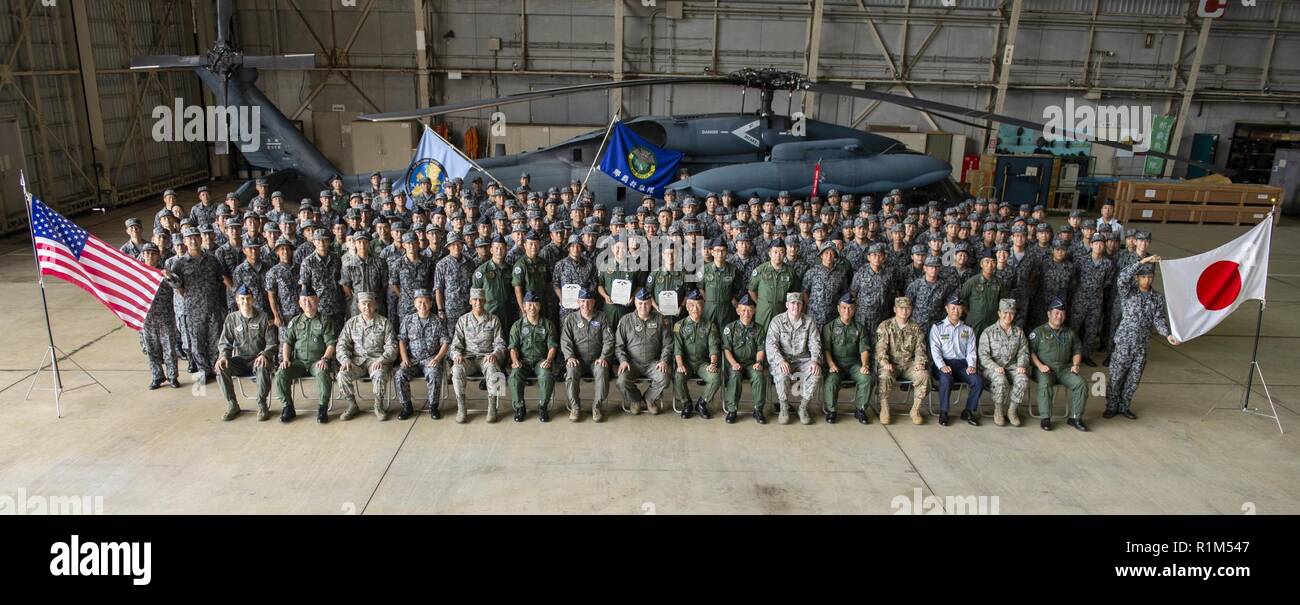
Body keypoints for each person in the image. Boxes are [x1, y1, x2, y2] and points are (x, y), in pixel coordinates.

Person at [1106, 256, 1178, 419]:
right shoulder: (1128, 291)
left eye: (1150, 276)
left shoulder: (1157, 298)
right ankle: (1111, 406)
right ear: (1138, 278)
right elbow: (1122, 277)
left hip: (1142, 344)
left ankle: (1124, 406)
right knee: (1116, 375)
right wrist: (1142, 263)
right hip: (1125, 341)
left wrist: (1167, 334)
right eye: (1144, 276)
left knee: (1134, 378)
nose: (1147, 279)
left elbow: (1158, 318)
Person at [164, 227, 226, 383]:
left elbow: (219, 281)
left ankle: (214, 367)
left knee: (214, 339)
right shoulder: (179, 263)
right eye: (189, 238)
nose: (193, 241)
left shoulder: (212, 259)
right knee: (196, 342)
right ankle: (203, 370)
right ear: (185, 241)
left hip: (213, 307)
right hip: (193, 310)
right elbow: (179, 287)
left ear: (200, 239)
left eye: (195, 237)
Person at [215, 285, 278, 421]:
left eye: (248, 299)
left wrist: (264, 354)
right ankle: (232, 404)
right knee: (221, 367)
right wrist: (223, 356)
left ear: (252, 299)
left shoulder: (263, 317)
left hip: (258, 358)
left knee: (262, 365)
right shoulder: (231, 319)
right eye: (242, 299)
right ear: (237, 300)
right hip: (240, 360)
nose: (245, 302)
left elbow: (272, 343)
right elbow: (225, 342)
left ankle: (262, 404)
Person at [274, 287, 337, 423]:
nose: (307, 303)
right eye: (304, 300)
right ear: (300, 303)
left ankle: (322, 408)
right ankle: (288, 407)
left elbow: (331, 344)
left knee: (322, 371)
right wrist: (285, 359)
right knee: (280, 373)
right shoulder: (295, 321)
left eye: (310, 299)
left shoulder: (325, 321)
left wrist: (325, 359)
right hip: (299, 362)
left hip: (317, 361)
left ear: (317, 300)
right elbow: (287, 342)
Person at [335, 292, 398, 421]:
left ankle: (378, 406)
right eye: (363, 304)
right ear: (358, 306)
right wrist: (345, 359)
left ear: (375, 305)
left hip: (377, 361)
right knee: (342, 375)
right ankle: (352, 405)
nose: (367, 307)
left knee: (379, 374)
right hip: (356, 361)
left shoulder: (384, 323)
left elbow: (392, 346)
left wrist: (382, 359)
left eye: (370, 304)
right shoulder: (351, 323)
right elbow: (341, 344)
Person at [1029, 298, 1088, 431]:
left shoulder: (1070, 333)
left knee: (1081, 383)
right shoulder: (1038, 332)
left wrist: (1076, 364)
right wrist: (1039, 366)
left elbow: (1077, 349)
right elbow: (1030, 352)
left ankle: (1075, 418)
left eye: (1062, 314)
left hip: (1064, 369)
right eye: (1056, 313)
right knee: (1045, 382)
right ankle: (1045, 418)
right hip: (1044, 369)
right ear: (1049, 314)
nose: (1059, 316)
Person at [450, 288, 508, 422]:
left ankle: (493, 407)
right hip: (468, 359)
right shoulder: (463, 320)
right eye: (475, 300)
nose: (478, 302)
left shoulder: (493, 319)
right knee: (456, 369)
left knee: (494, 370)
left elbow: (501, 344)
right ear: (470, 301)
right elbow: (455, 345)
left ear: (485, 301)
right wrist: (457, 355)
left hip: (487, 358)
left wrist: (495, 354)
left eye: (481, 300)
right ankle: (461, 407)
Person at [766, 292, 821, 425]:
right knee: (782, 373)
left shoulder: (809, 321)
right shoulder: (777, 321)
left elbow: (815, 343)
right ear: (787, 305)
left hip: (803, 360)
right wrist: (780, 360)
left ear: (802, 305)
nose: (795, 306)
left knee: (815, 373)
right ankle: (784, 406)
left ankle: (803, 408)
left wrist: (814, 360)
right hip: (783, 359)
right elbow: (770, 344)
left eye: (798, 303)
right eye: (792, 303)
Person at [395, 289, 451, 420]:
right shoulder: (408, 320)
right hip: (412, 360)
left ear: (431, 304)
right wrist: (404, 358)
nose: (423, 305)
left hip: (430, 359)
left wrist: (437, 358)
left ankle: (433, 407)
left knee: (434, 373)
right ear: (415, 304)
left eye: (426, 302)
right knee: (399, 374)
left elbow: (446, 342)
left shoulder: (437, 321)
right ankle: (407, 407)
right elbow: (402, 341)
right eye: (419, 302)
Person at [615, 288, 672, 415]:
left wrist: (663, 360)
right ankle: (635, 400)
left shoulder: (660, 320)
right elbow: (619, 346)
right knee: (621, 381)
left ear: (651, 303)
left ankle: (649, 398)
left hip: (653, 363)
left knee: (665, 377)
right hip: (632, 363)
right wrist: (623, 361)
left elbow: (667, 344)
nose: (643, 306)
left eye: (646, 303)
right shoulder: (626, 320)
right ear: (635, 302)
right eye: (640, 303)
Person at [929, 293, 984, 427]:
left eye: (959, 308)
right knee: (946, 379)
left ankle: (968, 411)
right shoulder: (937, 327)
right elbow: (934, 350)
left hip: (961, 365)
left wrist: (972, 365)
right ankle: (944, 412)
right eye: (953, 308)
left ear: (963, 310)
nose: (956, 311)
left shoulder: (968, 329)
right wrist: (942, 366)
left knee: (977, 381)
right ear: (946, 309)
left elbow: (971, 350)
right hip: (943, 364)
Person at [560, 287, 614, 422]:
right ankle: (575, 407)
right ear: (578, 302)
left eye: (589, 301)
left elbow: (609, 340)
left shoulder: (602, 317)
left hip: (596, 361)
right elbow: (565, 341)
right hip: (577, 361)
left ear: (594, 302)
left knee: (602, 371)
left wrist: (603, 357)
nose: (586, 305)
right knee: (571, 371)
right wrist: (570, 356)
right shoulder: (571, 319)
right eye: (583, 301)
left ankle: (597, 407)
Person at [875, 296, 931, 425]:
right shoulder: (885, 325)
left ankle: (915, 410)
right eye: (901, 308)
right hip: (891, 364)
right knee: (884, 375)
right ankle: (885, 408)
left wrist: (919, 363)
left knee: (924, 376)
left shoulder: (916, 328)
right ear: (895, 309)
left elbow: (920, 349)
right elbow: (880, 349)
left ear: (911, 310)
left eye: (907, 308)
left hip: (909, 365)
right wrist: (885, 363)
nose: (904, 311)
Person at [822, 292, 873, 425]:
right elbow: (826, 349)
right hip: (836, 364)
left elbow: (864, 350)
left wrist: (864, 365)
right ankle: (831, 411)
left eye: (850, 308)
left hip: (853, 364)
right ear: (838, 308)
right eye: (844, 307)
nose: (847, 311)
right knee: (831, 381)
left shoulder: (859, 328)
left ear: (855, 309)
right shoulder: (829, 327)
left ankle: (860, 410)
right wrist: (831, 364)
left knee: (866, 378)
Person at [978, 298, 1030, 427]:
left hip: (1012, 367)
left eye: (1011, 313)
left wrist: (1021, 365)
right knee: (1000, 380)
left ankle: (1012, 411)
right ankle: (999, 410)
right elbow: (983, 356)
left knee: (1023, 379)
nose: (1008, 316)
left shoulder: (1018, 332)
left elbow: (1024, 352)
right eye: (1005, 312)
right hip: (992, 368)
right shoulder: (988, 332)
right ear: (999, 313)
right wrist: (995, 367)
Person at [508, 291, 558, 422]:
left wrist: (548, 360)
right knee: (514, 376)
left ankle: (542, 407)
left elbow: (552, 346)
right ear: (524, 306)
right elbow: (513, 347)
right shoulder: (517, 326)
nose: (532, 308)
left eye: (535, 304)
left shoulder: (548, 325)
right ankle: (520, 407)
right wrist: (515, 360)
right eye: (529, 305)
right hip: (523, 361)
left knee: (546, 376)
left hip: (540, 361)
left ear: (540, 306)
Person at [672, 290, 721, 419]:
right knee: (678, 376)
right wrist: (680, 365)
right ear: (687, 307)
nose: (696, 308)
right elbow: (677, 348)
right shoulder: (678, 325)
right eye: (692, 305)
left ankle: (702, 403)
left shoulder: (710, 325)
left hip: (702, 363)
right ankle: (686, 403)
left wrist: (713, 364)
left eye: (699, 305)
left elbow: (713, 347)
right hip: (686, 363)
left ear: (703, 306)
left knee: (716, 377)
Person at [138, 243, 180, 389]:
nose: (150, 256)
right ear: (143, 256)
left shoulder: (164, 272)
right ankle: (157, 376)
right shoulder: (138, 273)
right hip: (147, 319)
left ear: (158, 255)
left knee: (169, 349)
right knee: (152, 349)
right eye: (147, 253)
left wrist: (168, 277)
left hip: (165, 318)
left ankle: (173, 376)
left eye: (153, 253)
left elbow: (177, 284)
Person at [721, 294, 767, 424]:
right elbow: (727, 350)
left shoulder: (759, 329)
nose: (746, 313)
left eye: (749, 310)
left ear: (754, 311)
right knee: (735, 376)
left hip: (752, 364)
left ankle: (758, 409)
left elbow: (760, 349)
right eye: (743, 310)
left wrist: (758, 363)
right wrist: (734, 364)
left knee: (759, 375)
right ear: (738, 311)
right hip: (735, 364)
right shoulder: (730, 328)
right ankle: (732, 410)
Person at [746, 239, 801, 328]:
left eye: (781, 252)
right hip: (763, 311)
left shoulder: (790, 272)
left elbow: (794, 293)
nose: (778, 255)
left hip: (782, 311)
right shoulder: (760, 270)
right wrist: (759, 303)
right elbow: (751, 290)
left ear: (785, 254)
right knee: (762, 334)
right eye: (775, 252)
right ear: (770, 253)